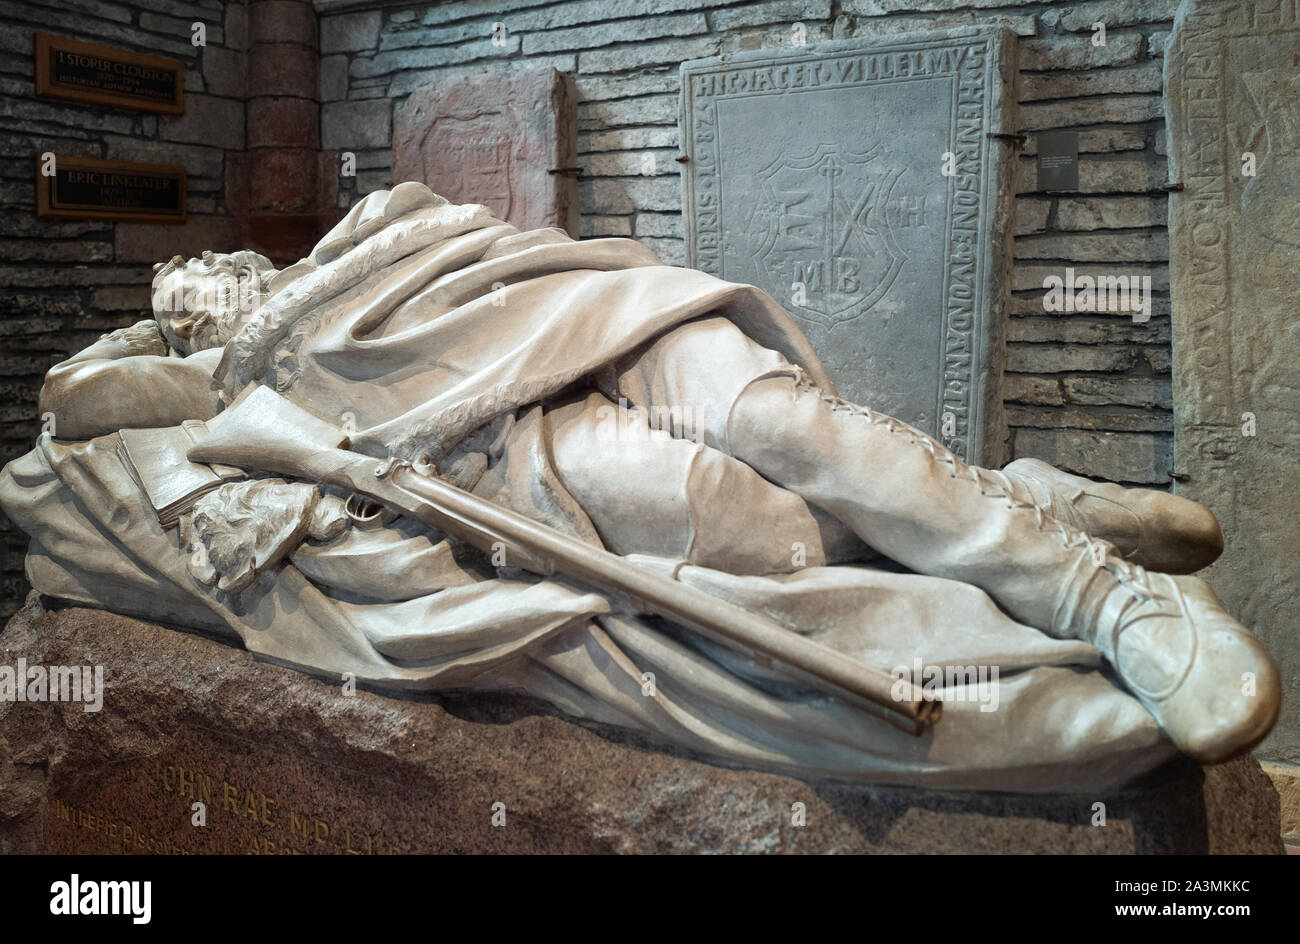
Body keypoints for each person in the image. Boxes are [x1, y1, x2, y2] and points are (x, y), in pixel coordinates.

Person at [5, 183, 1279, 789]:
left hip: (598, 326)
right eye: (178, 306)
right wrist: (166, 354)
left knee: (792, 425)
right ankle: (1017, 494)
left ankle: (1112, 601)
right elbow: (72, 408)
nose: (201, 288)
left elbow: (500, 244)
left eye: (208, 272)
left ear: (239, 253)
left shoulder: (363, 240)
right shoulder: (232, 380)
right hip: (512, 446)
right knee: (758, 532)